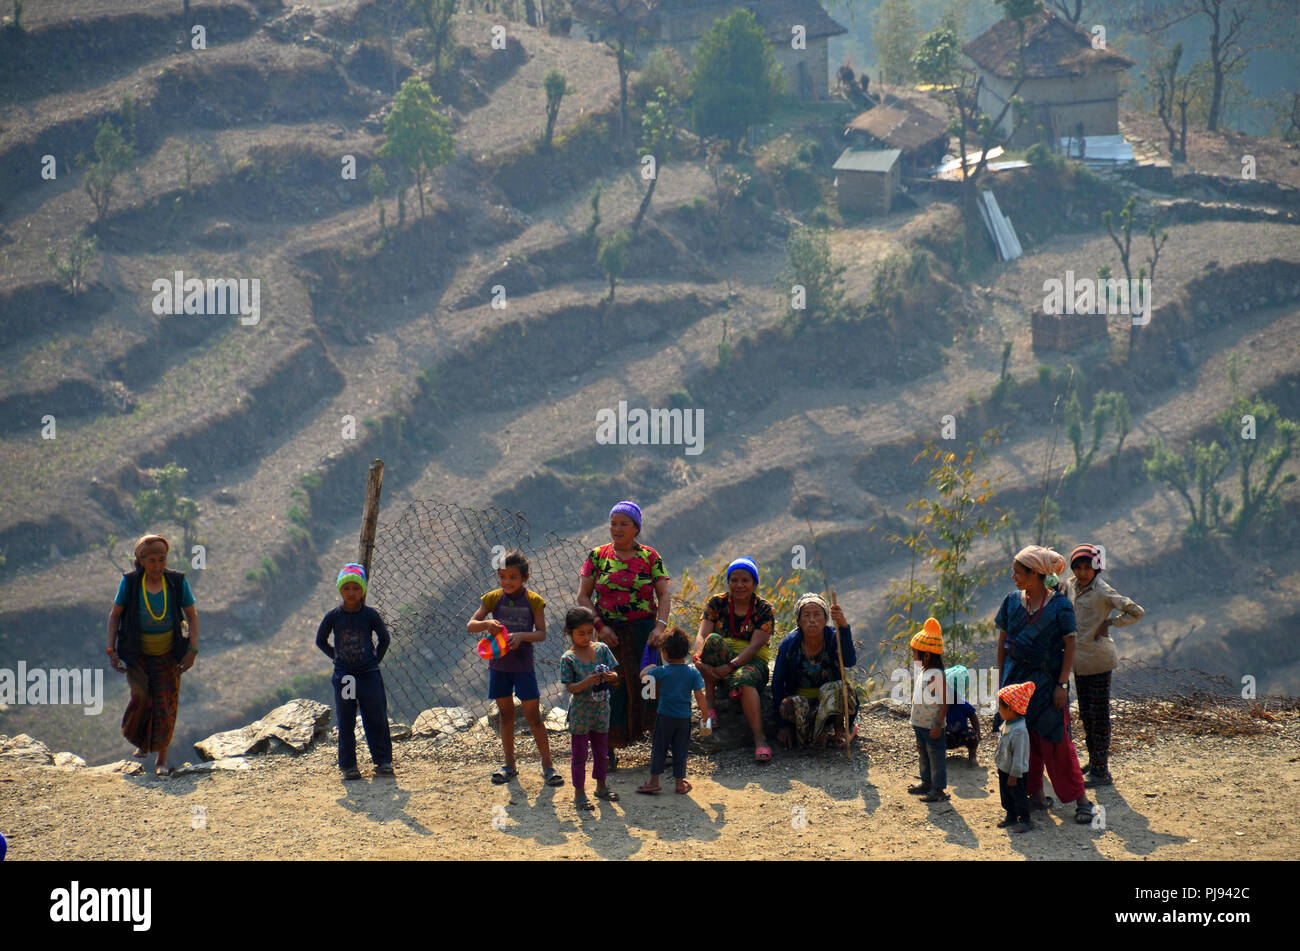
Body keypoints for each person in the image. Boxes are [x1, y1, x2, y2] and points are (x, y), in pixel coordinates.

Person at [995, 545, 1093, 824]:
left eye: (1018, 572)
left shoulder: (1060, 606)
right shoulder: (1011, 602)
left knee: (1056, 741)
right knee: (1022, 738)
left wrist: (1062, 685)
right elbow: (1002, 643)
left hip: (1048, 683)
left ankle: (1081, 799)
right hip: (1016, 683)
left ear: (1036, 574)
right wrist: (1002, 682)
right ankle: (1034, 793)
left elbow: (1070, 645)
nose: (1013, 577)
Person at [577, 501, 672, 766]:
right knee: (610, 686)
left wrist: (659, 627)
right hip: (609, 634)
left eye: (623, 524)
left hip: (645, 633)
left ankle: (659, 748)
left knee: (650, 685)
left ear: (636, 528)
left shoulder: (651, 557)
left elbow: (664, 595)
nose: (616, 529)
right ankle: (607, 751)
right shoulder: (597, 556)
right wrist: (600, 628)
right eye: (613, 523)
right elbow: (583, 595)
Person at [106, 534, 199, 777]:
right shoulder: (131, 583)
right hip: (138, 655)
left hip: (169, 654)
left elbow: (193, 616)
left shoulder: (177, 583)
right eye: (152, 561)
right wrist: (111, 650)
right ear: (141, 561)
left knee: (166, 704)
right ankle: (140, 739)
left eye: (162, 559)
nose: (158, 565)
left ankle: (161, 760)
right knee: (142, 695)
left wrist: (192, 651)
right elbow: (115, 615)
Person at [468, 549, 561, 786]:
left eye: (512, 577)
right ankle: (509, 764)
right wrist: (487, 623)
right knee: (506, 715)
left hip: (523, 667)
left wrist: (521, 636)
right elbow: (472, 625)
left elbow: (541, 633)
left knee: (533, 717)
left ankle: (548, 766)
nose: (507, 582)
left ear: (524, 578)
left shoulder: (534, 601)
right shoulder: (491, 598)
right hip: (499, 666)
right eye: (502, 577)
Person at [1063, 543, 1144, 788]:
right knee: (1087, 715)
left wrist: (1110, 623)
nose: (1082, 573)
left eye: (1087, 568)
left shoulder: (1102, 590)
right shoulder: (1070, 586)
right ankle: (1095, 762)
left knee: (1098, 716)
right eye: (1078, 567)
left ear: (1095, 568)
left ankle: (1102, 771)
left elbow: (1136, 611)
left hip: (1098, 660)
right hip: (1079, 662)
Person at [693, 557, 776, 762]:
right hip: (722, 658)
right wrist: (698, 659)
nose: (739, 585)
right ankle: (710, 703)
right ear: (728, 582)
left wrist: (731, 666)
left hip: (751, 661)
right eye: (734, 580)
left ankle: (759, 739)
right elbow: (702, 634)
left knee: (745, 680)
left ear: (754, 584)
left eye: (745, 581)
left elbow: (756, 644)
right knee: (712, 641)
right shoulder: (717, 603)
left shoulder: (764, 609)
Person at [316, 563, 394, 780]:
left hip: (368, 675)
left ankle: (383, 761)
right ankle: (349, 766)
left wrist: (374, 662)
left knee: (375, 716)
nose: (351, 593)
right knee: (346, 718)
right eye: (346, 588)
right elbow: (320, 641)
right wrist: (337, 658)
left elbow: (384, 639)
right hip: (346, 678)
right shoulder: (333, 617)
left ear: (363, 591)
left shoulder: (370, 615)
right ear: (340, 590)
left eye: (356, 588)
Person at [771, 592, 858, 749]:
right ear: (798, 620)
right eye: (806, 615)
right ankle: (816, 732)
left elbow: (850, 661)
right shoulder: (789, 645)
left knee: (840, 688)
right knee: (788, 707)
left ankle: (840, 730)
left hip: (830, 705)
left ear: (825, 619)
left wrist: (843, 627)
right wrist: (782, 726)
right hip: (804, 704)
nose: (812, 620)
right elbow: (777, 683)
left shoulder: (833, 638)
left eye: (817, 614)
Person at [559, 606, 620, 810]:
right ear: (569, 632)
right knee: (579, 754)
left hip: (601, 710)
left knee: (602, 752)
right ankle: (579, 793)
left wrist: (611, 677)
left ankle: (601, 786)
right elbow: (572, 688)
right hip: (581, 713)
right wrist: (588, 681)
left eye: (589, 632)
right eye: (580, 633)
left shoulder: (602, 650)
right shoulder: (568, 658)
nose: (586, 637)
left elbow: (615, 676)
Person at [637, 627, 707, 795]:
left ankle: (654, 782)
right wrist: (705, 714)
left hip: (664, 717)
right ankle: (679, 784)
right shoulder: (692, 673)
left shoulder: (661, 671)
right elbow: (700, 696)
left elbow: (643, 677)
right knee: (681, 750)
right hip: (684, 719)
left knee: (659, 748)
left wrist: (650, 667)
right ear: (686, 652)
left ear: (665, 653)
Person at [908, 617, 949, 803]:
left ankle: (938, 789)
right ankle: (926, 783)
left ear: (926, 655)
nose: (913, 656)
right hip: (920, 724)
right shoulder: (925, 671)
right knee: (923, 755)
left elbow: (946, 702)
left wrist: (938, 724)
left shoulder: (936, 676)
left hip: (932, 726)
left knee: (936, 758)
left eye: (915, 653)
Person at [995, 681, 1035, 834]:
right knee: (1006, 794)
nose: (999, 711)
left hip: (1015, 771)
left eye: (1000, 707)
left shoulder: (1019, 731)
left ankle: (1025, 820)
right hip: (1005, 767)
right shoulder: (1008, 723)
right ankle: (1011, 815)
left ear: (1010, 709)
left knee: (1018, 795)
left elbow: (1019, 756)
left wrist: (1014, 774)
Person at [943, 665, 982, 766]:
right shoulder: (939, 704)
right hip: (947, 736)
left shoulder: (963, 704)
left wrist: (977, 732)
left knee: (971, 734)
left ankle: (972, 756)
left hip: (962, 735)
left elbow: (973, 717)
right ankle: (938, 756)